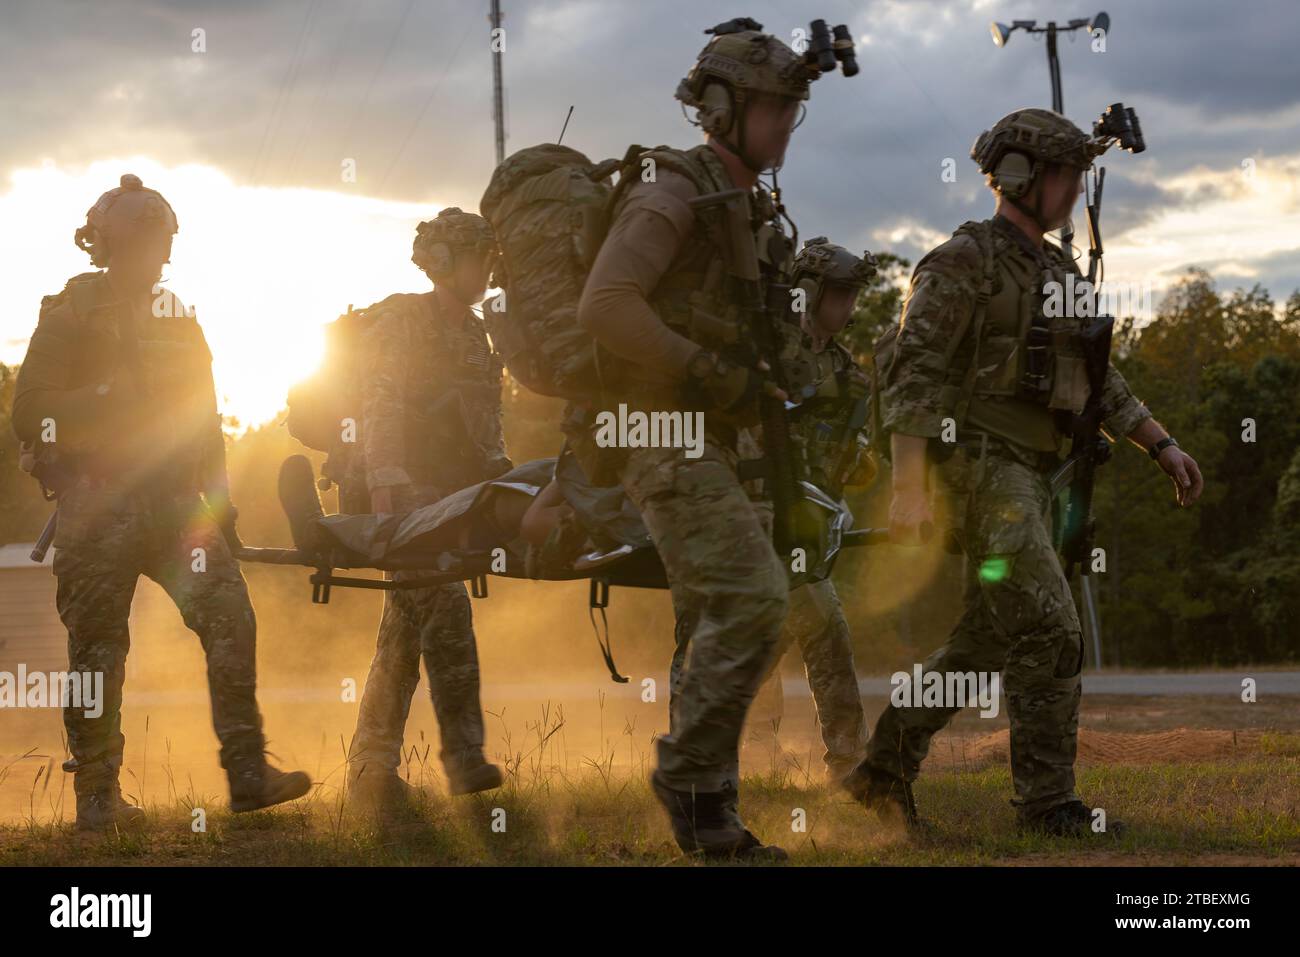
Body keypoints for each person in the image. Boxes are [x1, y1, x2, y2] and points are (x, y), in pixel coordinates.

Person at [843, 109, 1205, 836]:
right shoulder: (960, 263)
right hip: (982, 472)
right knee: (1050, 624)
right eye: (1065, 175)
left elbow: (1098, 380)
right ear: (1019, 177)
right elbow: (913, 381)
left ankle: (881, 771)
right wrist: (911, 486)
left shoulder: (1056, 269)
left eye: (1078, 176)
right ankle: (1047, 805)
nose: (1075, 190)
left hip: (1041, 479)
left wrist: (1161, 443)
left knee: (988, 641)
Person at [573, 18, 828, 860]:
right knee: (754, 599)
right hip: (659, 430)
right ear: (721, 108)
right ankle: (690, 780)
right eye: (775, 106)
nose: (788, 122)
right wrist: (703, 370)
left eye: (795, 107)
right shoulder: (673, 192)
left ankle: (709, 808)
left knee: (739, 606)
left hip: (718, 437)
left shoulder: (745, 206)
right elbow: (605, 303)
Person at [11, 174, 310, 830]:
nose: (156, 252)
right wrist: (102, 399)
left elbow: (204, 422)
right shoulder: (71, 311)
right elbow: (28, 410)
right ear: (110, 241)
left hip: (177, 506)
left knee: (231, 618)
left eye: (163, 240)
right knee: (98, 649)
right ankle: (97, 799)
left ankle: (248, 773)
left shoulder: (179, 318)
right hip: (97, 503)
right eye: (145, 238)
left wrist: (221, 508)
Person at [344, 207, 510, 814]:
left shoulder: (473, 333)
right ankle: (464, 758)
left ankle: (369, 772)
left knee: (401, 635)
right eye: (478, 258)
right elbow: (379, 398)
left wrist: (506, 489)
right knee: (442, 603)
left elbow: (484, 426)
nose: (487, 270)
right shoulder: (403, 318)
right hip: (398, 495)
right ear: (442, 262)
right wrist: (386, 479)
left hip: (450, 497)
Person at [733, 238, 878, 783]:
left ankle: (738, 753)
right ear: (809, 293)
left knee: (770, 638)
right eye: (841, 293)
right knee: (822, 624)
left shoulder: (848, 373)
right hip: (754, 516)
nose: (850, 306)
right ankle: (847, 764)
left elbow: (850, 454)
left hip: (809, 525)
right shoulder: (765, 349)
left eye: (854, 295)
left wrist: (857, 463)